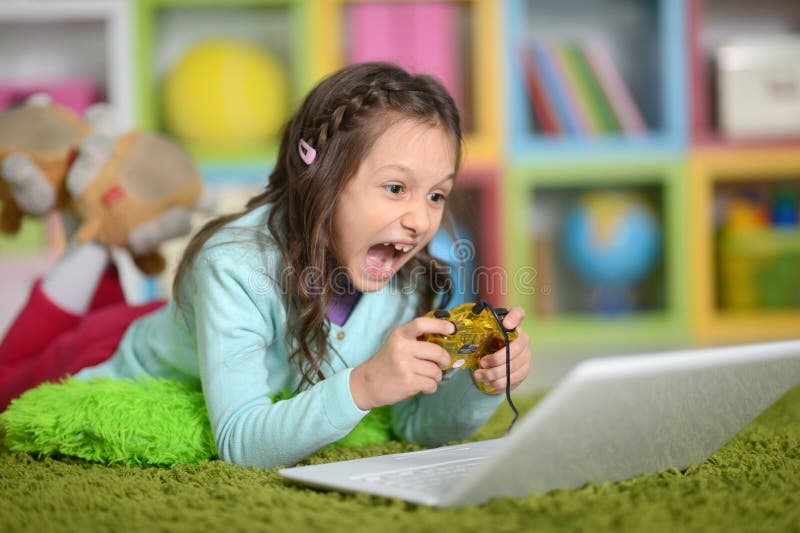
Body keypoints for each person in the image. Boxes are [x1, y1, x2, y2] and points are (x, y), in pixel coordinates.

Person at [0, 62, 531, 468]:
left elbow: (415, 427)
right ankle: (87, 226)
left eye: (436, 195)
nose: (419, 220)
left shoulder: (406, 281)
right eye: (396, 188)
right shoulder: (233, 264)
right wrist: (364, 385)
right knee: (7, 388)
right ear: (320, 175)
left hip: (209, 328)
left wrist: (479, 383)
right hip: (114, 350)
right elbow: (239, 442)